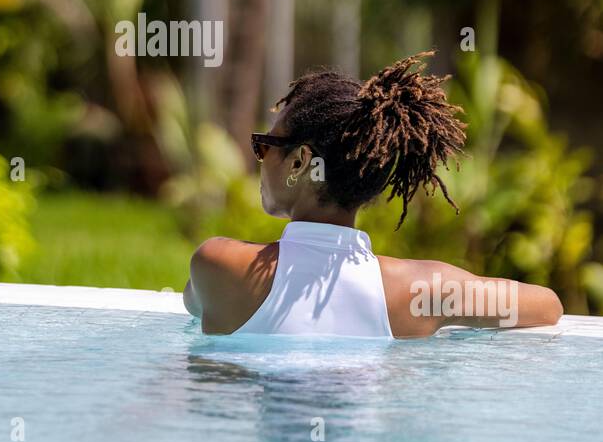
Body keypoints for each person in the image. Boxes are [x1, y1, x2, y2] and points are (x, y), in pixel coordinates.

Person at [183, 53, 563, 339]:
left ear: (300, 161)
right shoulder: (423, 290)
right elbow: (548, 306)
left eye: (264, 145)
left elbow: (193, 304)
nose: (259, 159)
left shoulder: (219, 264)